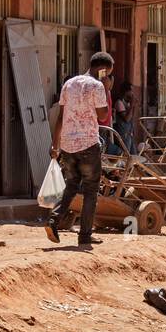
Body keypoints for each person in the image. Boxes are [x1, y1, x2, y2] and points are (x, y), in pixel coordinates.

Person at [45, 51, 114, 247]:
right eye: (108, 73)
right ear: (103, 70)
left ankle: (53, 220)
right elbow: (103, 116)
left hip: (68, 144)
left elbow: (61, 117)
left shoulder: (69, 84)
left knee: (71, 185)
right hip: (88, 144)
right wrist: (106, 89)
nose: (108, 78)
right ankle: (84, 236)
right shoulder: (97, 86)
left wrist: (55, 144)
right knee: (91, 191)